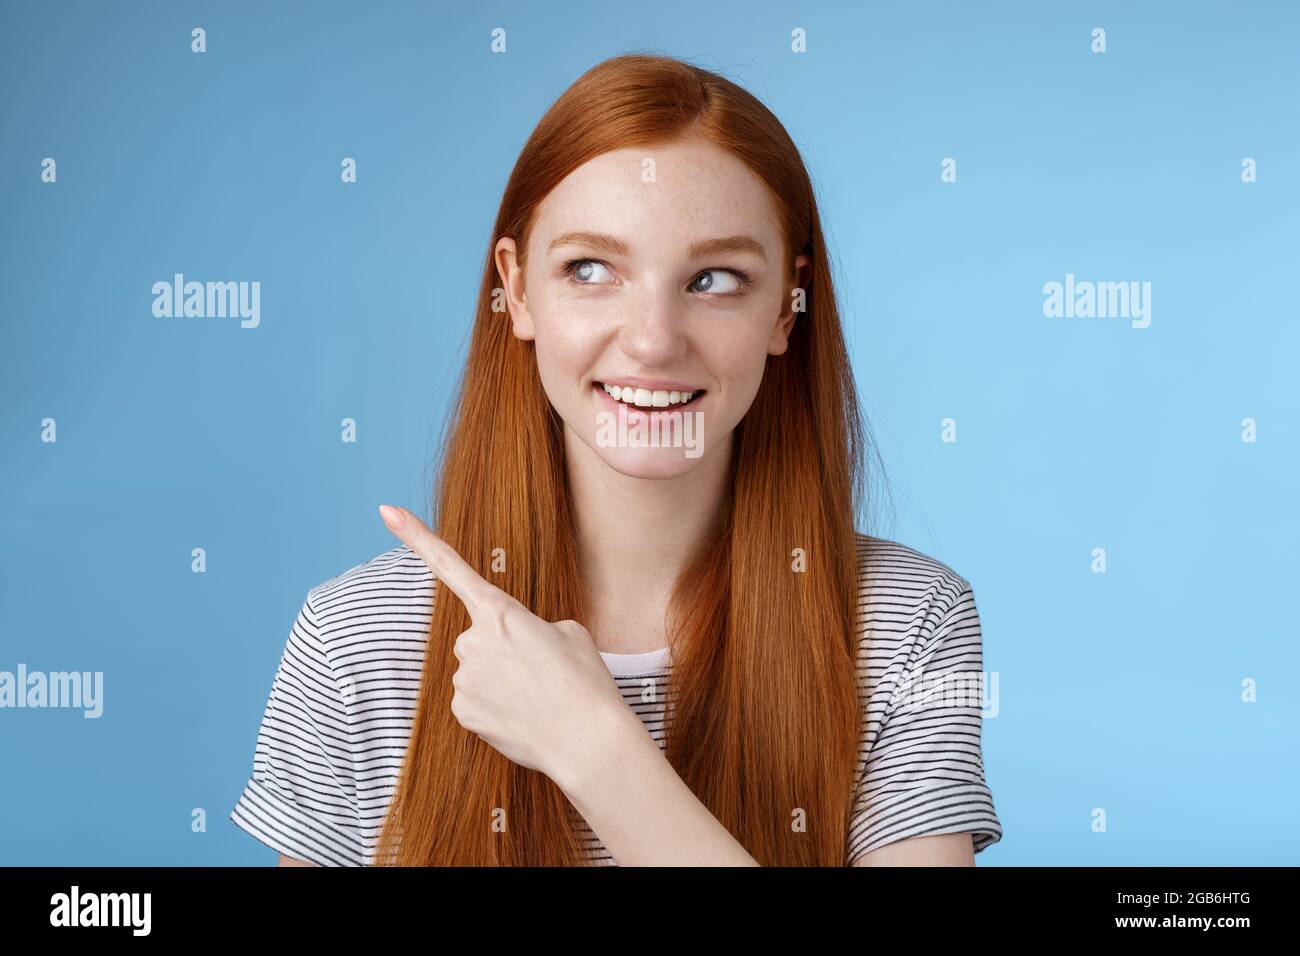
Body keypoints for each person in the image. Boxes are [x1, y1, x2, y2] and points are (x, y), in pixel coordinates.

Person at [230, 51, 1003, 866]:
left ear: (787, 308)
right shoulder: (358, 638)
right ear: (518, 291)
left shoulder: (908, 626)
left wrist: (594, 747)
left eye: (714, 279)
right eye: (590, 270)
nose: (652, 340)